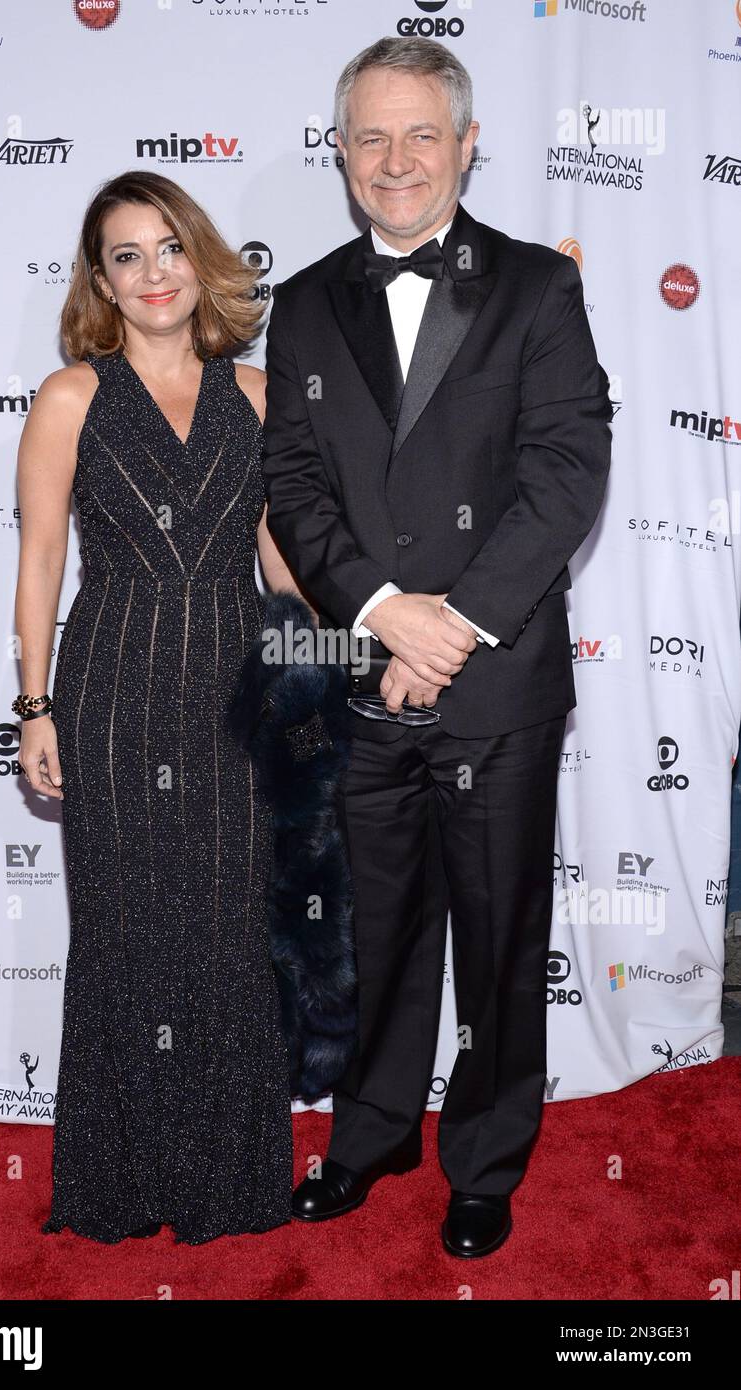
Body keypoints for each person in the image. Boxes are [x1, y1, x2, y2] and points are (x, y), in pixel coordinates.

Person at [262, 36, 613, 1258]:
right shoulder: (303, 301)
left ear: (466, 145)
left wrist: (449, 625)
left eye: (421, 134)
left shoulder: (535, 287)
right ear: (341, 153)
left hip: (497, 675)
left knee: (500, 928)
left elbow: (565, 475)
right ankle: (369, 1131)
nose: (395, 160)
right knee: (375, 921)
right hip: (362, 670)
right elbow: (294, 484)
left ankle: (485, 1155)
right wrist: (376, 612)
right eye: (370, 136)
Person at [14, 169, 302, 1245]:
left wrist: (342, 656)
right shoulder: (71, 398)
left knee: (231, 926)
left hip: (234, 686)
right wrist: (34, 706)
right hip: (116, 681)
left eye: (167, 248)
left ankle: (226, 1182)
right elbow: (42, 559)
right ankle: (120, 1182)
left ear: (201, 257)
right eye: (125, 255)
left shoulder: (261, 395)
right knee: (127, 929)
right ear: (100, 277)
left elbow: (279, 560)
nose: (151, 273)